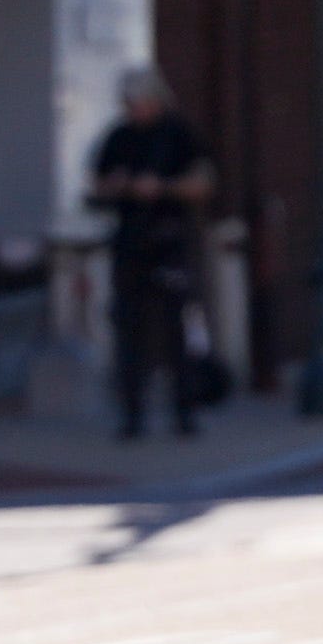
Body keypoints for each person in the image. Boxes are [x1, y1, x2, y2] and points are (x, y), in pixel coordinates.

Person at [85, 68, 215, 438]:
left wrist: (163, 188)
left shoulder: (179, 134)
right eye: (129, 104)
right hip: (131, 245)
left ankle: (185, 412)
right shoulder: (120, 136)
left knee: (178, 331)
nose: (134, 110)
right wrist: (121, 187)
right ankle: (132, 415)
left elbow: (203, 183)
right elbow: (97, 182)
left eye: (139, 103)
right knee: (130, 332)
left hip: (172, 242)